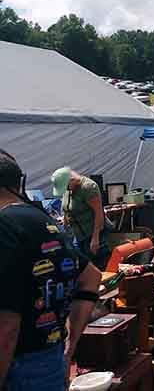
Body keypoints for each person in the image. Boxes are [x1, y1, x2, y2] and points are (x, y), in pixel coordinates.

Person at [0, 150, 101, 390]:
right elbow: (91, 277)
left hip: (16, 368)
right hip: (51, 359)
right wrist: (70, 344)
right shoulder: (43, 220)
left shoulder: (3, 227)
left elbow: (6, 324)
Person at [51, 167, 110, 270]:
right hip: (78, 235)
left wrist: (95, 238)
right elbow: (67, 207)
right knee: (81, 266)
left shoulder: (88, 188)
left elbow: (99, 213)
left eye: (66, 187)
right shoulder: (68, 188)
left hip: (92, 234)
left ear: (71, 180)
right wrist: (64, 222)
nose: (66, 190)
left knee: (98, 266)